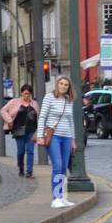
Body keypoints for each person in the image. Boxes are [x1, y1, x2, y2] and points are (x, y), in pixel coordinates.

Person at [36, 76, 76, 209]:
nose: (64, 86)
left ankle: (62, 197)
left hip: (67, 137)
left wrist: (73, 140)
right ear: (57, 84)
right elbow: (42, 116)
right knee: (57, 166)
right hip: (53, 137)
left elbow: (71, 121)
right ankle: (56, 198)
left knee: (64, 167)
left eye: (66, 85)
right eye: (61, 84)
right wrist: (40, 136)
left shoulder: (69, 100)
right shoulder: (49, 97)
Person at [0, 85, 39, 178]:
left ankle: (29, 171)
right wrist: (9, 120)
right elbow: (3, 111)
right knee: (20, 151)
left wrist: (39, 129)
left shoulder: (34, 104)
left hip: (31, 130)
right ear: (21, 93)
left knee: (30, 151)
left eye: (29, 94)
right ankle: (21, 167)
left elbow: (39, 116)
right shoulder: (14, 102)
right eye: (25, 93)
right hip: (19, 130)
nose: (27, 96)